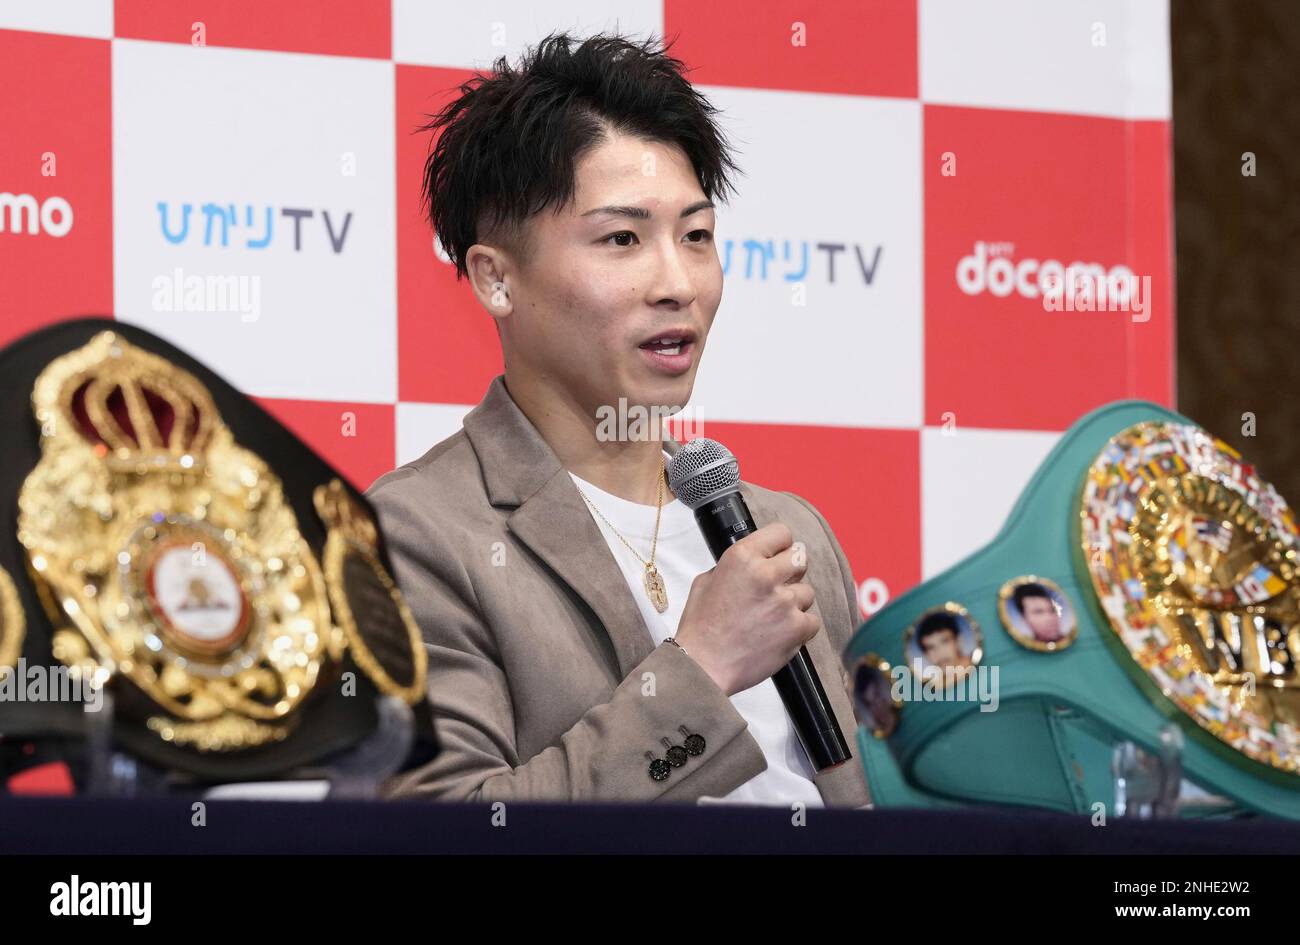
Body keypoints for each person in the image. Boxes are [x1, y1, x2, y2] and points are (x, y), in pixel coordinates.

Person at [367, 31, 870, 808]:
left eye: (696, 236)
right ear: (495, 279)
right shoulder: (417, 536)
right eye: (623, 239)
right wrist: (699, 670)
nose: (678, 282)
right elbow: (440, 829)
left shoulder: (787, 531)